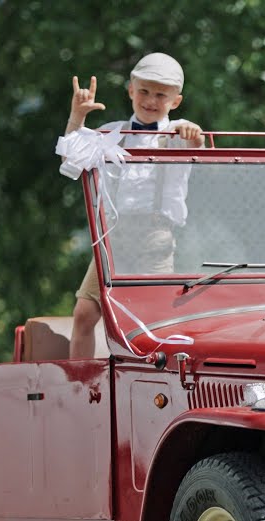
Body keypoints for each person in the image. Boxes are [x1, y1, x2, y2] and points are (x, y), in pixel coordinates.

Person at [63, 52, 205, 359]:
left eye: (160, 95)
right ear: (130, 91)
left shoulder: (176, 133)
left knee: (153, 317)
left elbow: (197, 143)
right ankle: (82, 384)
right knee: (84, 312)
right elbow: (70, 159)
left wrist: (192, 132)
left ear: (175, 101)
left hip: (154, 237)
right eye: (143, 91)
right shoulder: (112, 133)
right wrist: (78, 117)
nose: (151, 101)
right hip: (112, 238)